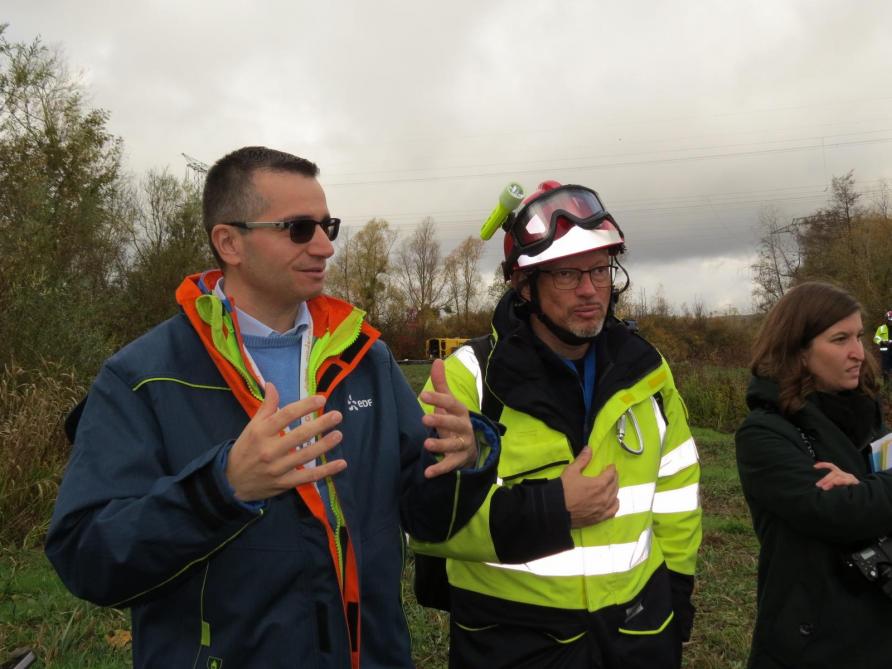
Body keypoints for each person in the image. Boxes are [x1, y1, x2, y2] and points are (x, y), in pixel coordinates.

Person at [45, 146, 500, 669]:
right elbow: (88, 560)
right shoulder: (143, 377)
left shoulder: (363, 357)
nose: (326, 246)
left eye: (327, 225)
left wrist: (463, 460)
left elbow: (427, 518)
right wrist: (222, 489)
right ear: (229, 242)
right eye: (299, 228)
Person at [412, 180, 702, 668]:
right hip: (515, 643)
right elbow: (423, 526)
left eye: (600, 269)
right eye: (567, 274)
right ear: (525, 286)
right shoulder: (468, 378)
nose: (590, 290)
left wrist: (673, 603)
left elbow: (677, 492)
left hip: (638, 634)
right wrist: (553, 510)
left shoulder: (647, 371)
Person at [736, 281, 892, 668]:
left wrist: (867, 490)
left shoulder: (868, 415)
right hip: (810, 645)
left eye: (859, 336)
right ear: (799, 351)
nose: (858, 353)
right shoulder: (766, 432)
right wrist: (866, 495)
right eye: (839, 339)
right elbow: (836, 512)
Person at [873, 310, 892, 381]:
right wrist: (882, 341)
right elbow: (876, 338)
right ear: (886, 319)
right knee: (885, 370)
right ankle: (886, 387)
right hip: (885, 351)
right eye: (889, 320)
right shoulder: (881, 328)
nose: (891, 321)